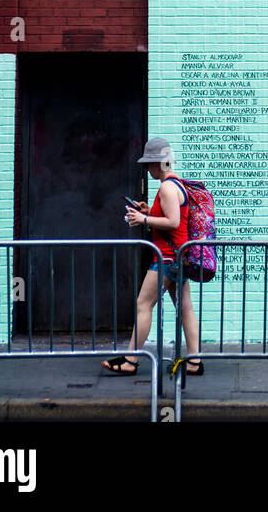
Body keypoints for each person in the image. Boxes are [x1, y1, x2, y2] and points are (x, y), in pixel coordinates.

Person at [102, 136, 202, 376]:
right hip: (179, 256)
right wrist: (148, 210)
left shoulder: (167, 187)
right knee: (185, 307)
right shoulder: (177, 184)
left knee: (143, 303)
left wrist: (143, 219)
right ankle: (195, 362)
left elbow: (173, 221)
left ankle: (130, 360)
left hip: (167, 257)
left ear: (160, 163)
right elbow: (171, 217)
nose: (147, 169)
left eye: (149, 164)